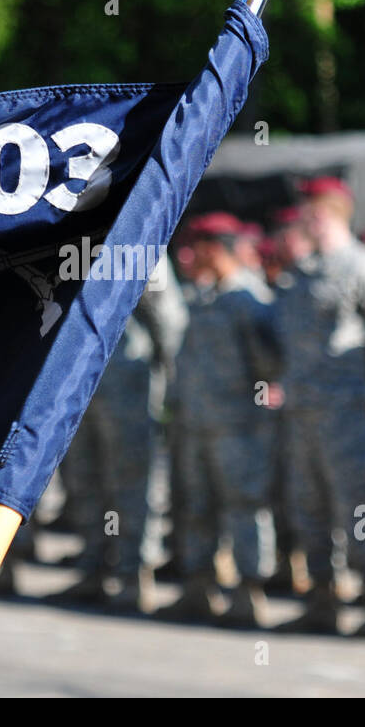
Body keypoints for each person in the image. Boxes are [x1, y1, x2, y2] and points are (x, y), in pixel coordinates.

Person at [274, 177, 365, 641]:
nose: (301, 219)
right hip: (303, 410)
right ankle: (322, 601)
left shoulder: (362, 268)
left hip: (347, 411)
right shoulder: (300, 271)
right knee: (308, 507)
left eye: (308, 210)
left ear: (325, 214)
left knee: (357, 509)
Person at [162, 213, 281, 627]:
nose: (192, 256)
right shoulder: (204, 296)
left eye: (201, 247)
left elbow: (269, 363)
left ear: (216, 249)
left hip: (238, 426)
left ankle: (250, 592)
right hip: (197, 423)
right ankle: (198, 587)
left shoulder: (249, 300)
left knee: (244, 506)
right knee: (196, 506)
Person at [52, 256, 187, 613]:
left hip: (128, 380)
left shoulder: (138, 235)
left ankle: (133, 575)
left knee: (131, 482)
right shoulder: (72, 234)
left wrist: (170, 380)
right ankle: (93, 567)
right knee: (85, 477)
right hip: (77, 380)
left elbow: (167, 318)